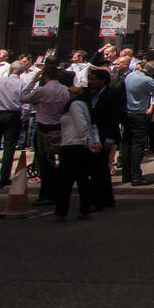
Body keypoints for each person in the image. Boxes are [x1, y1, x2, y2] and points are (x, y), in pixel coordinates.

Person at [54, 70, 100, 221]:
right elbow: (91, 124)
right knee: (82, 180)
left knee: (66, 181)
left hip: (73, 146)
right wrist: (93, 141)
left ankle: (62, 212)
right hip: (75, 145)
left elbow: (83, 125)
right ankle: (83, 210)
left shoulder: (75, 105)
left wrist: (88, 142)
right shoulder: (79, 104)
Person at [23, 64, 71, 205]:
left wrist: (32, 82)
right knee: (59, 162)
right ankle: (57, 192)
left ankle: (47, 194)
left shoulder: (42, 90)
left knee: (44, 163)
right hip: (59, 128)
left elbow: (23, 97)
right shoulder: (64, 90)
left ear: (44, 76)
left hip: (44, 130)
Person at [120, 61, 154, 187]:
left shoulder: (130, 76)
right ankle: (136, 176)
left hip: (128, 113)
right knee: (137, 145)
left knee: (127, 143)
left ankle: (126, 174)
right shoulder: (146, 80)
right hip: (139, 113)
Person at [0, 58, 28, 189]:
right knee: (9, 147)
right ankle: (4, 178)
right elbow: (25, 102)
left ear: (10, 69)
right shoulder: (22, 84)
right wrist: (22, 117)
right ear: (21, 72)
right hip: (13, 115)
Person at [84, 66, 118, 211]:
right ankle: (105, 199)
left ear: (103, 81)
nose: (90, 82)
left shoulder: (111, 95)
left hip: (104, 136)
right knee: (98, 169)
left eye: (93, 79)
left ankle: (99, 200)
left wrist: (110, 138)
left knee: (99, 169)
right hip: (91, 135)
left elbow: (114, 117)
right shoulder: (89, 94)